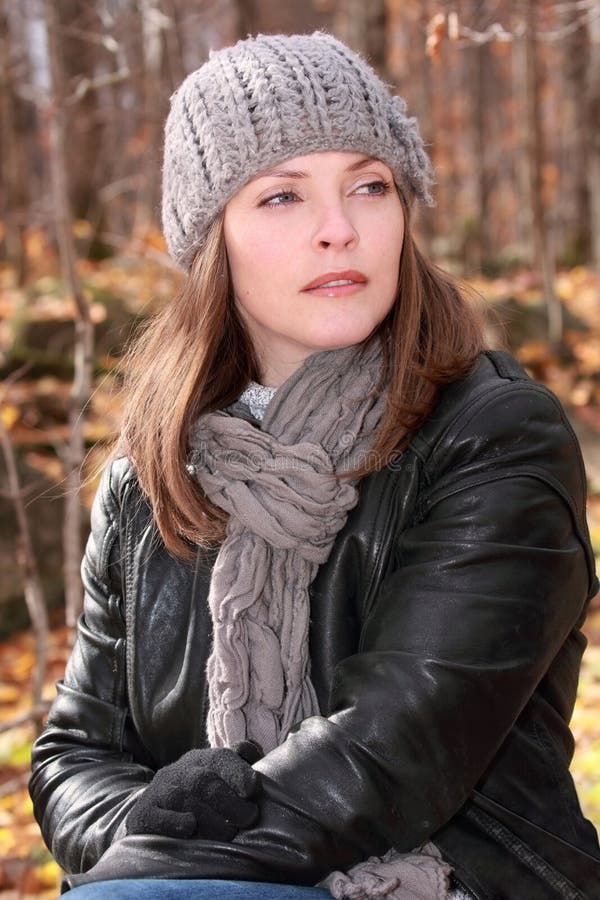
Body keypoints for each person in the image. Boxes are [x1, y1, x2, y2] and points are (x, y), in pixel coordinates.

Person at [29, 31, 600, 900]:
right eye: (282, 197)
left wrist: (152, 870)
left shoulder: (495, 437)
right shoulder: (149, 479)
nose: (340, 230)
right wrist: (143, 823)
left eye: (369, 186)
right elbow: (74, 753)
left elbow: (396, 751)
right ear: (210, 235)